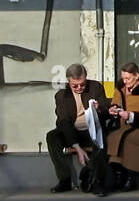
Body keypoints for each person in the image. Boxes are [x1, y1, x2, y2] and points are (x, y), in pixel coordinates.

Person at [97, 62, 139, 197]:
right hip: (123, 129)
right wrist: (113, 109)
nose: (125, 81)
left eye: (128, 78)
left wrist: (132, 116)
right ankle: (115, 178)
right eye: (123, 78)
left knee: (125, 139)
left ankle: (130, 177)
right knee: (113, 138)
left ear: (137, 76)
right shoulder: (120, 88)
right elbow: (115, 102)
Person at [46, 63, 108, 193]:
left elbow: (106, 109)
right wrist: (77, 148)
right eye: (75, 85)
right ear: (69, 81)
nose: (79, 87)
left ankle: (97, 180)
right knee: (52, 137)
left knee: (101, 138)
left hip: (92, 129)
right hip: (72, 131)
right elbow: (64, 122)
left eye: (82, 84)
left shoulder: (95, 87)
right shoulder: (61, 95)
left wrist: (99, 109)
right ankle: (64, 179)